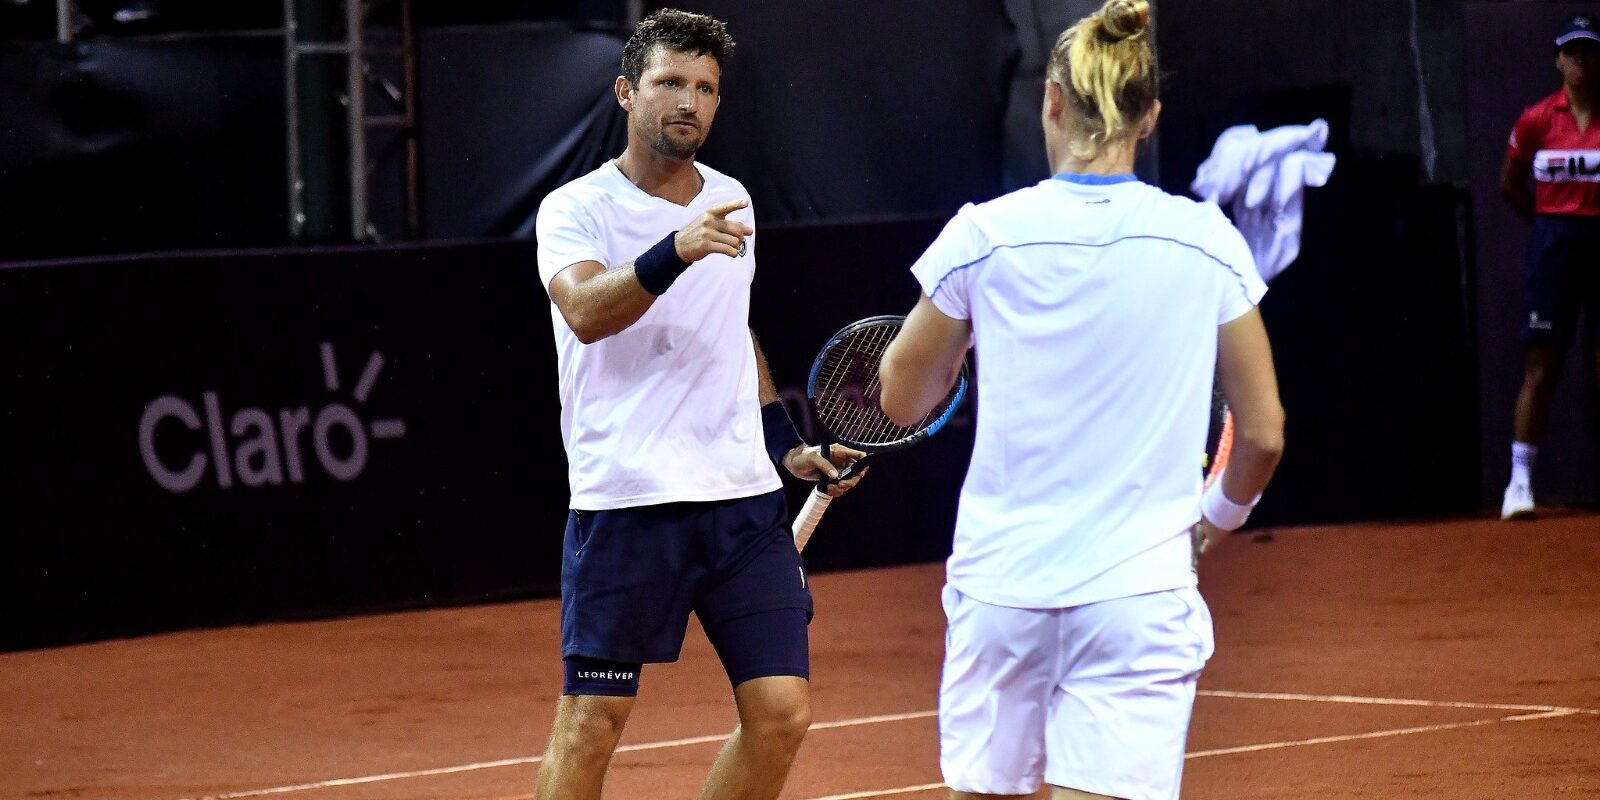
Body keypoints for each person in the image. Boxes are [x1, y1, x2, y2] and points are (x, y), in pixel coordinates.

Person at [877, 2, 1285, 798]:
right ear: (1150, 115)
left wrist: (962, 334)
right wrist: (1215, 520)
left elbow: (898, 399)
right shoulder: (1206, 239)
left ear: (1051, 101)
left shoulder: (982, 235)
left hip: (1003, 596)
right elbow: (1262, 434)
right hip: (1139, 596)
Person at [531, 9, 864, 800]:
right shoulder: (575, 209)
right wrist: (674, 247)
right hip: (628, 503)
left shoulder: (734, 198)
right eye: (670, 82)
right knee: (592, 723)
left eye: (706, 88)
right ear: (626, 93)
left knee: (782, 712)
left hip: (741, 505)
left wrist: (784, 440)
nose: (690, 101)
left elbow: (729, 329)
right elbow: (584, 310)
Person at [1498, 13, 1600, 520]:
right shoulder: (1537, 118)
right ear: (1559, 60)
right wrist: (1545, 224)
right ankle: (1519, 485)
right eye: (1572, 52)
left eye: (1589, 51)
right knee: (1540, 369)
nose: (1581, 61)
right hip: (1554, 244)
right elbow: (1510, 183)